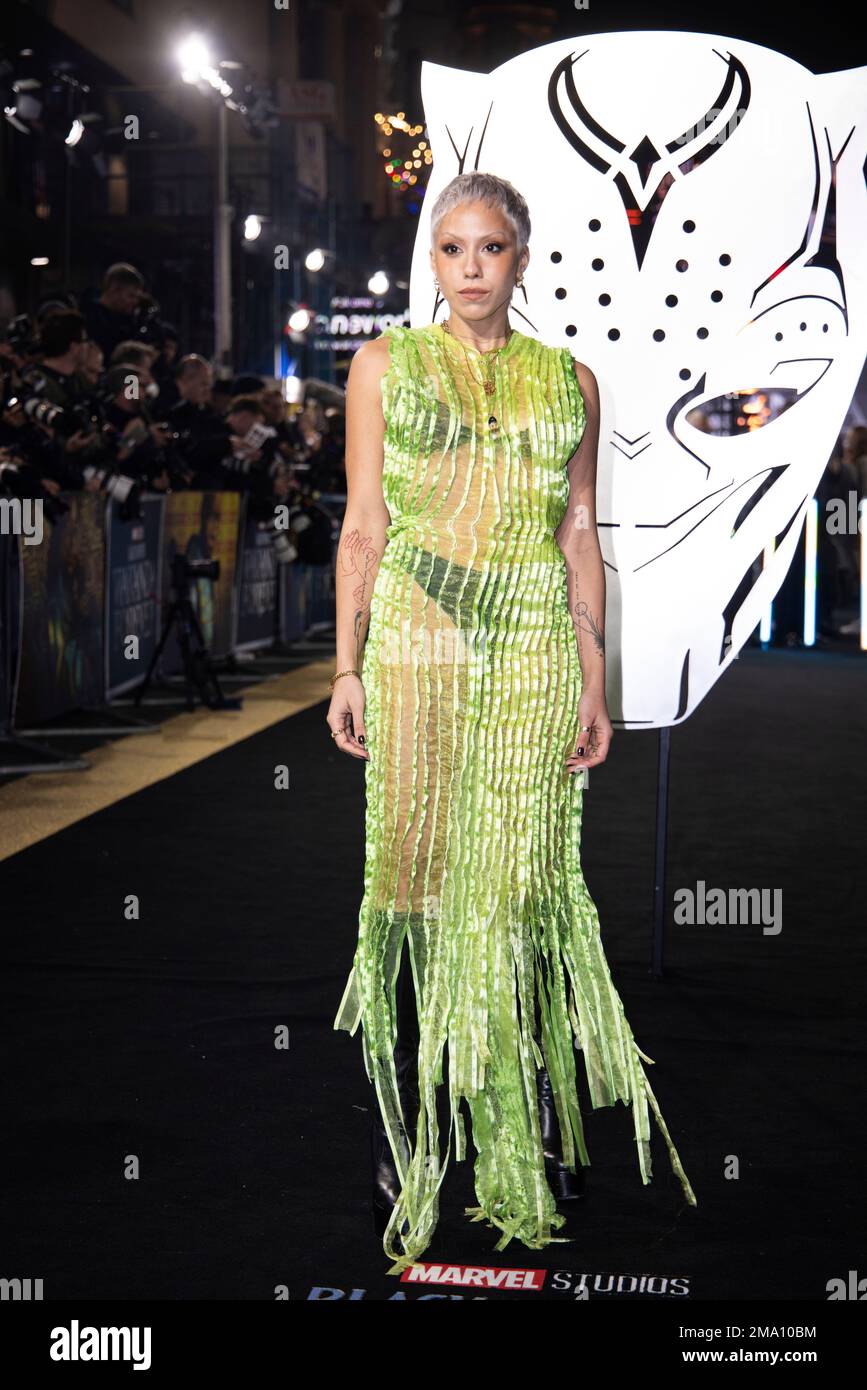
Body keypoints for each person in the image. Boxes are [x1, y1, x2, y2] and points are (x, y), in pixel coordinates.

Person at [328, 171, 697, 1274]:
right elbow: (362, 522)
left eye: (490, 247)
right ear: (431, 262)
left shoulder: (569, 380)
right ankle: (417, 1122)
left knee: (527, 873)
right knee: (414, 870)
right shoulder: (382, 365)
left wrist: (594, 679)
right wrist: (344, 665)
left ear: (521, 258)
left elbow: (581, 529)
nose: (472, 267)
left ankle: (529, 1106)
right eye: (452, 249)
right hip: (418, 635)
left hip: (536, 638)